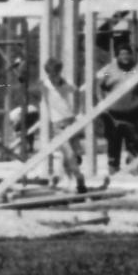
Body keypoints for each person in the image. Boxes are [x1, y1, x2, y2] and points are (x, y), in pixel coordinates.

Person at [96, 44, 138, 174]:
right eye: (122, 54)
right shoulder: (109, 69)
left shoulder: (137, 69)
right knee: (114, 142)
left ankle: (134, 163)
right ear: (117, 56)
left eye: (127, 54)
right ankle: (113, 166)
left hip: (133, 111)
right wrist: (102, 103)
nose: (125, 57)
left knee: (134, 141)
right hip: (113, 113)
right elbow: (99, 85)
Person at [41, 58, 87, 194]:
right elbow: (45, 88)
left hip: (71, 121)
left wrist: (80, 111)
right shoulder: (45, 85)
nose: (54, 77)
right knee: (70, 154)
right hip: (58, 124)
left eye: (56, 73)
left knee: (73, 156)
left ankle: (60, 178)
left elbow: (78, 92)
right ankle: (79, 180)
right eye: (51, 74)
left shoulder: (65, 84)